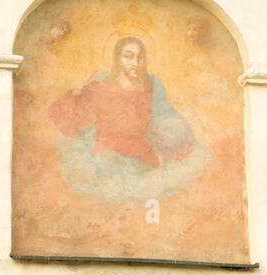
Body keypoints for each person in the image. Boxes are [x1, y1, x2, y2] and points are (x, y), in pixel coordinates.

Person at [48, 36, 210, 202]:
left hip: (144, 154)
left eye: (140, 57)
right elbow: (67, 120)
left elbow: (167, 114)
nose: (135, 62)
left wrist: (181, 135)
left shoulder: (152, 85)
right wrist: (74, 95)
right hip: (109, 154)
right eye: (128, 56)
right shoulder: (101, 86)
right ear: (117, 58)